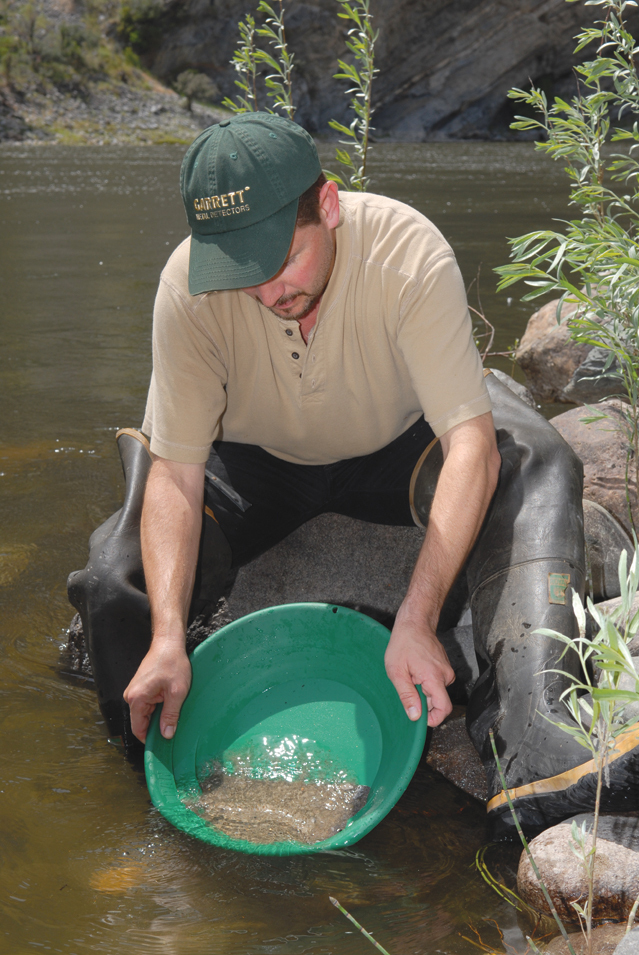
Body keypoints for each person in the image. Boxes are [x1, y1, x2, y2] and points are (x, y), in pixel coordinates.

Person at [121, 111, 501, 745]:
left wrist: (418, 615)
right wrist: (165, 636)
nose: (270, 292)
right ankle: (149, 779)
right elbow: (177, 474)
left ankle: (531, 737)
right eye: (244, 270)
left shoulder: (408, 249)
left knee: (535, 466)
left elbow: (471, 445)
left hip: (397, 457)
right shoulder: (186, 287)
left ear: (327, 205)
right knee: (115, 577)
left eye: (285, 259)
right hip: (257, 468)